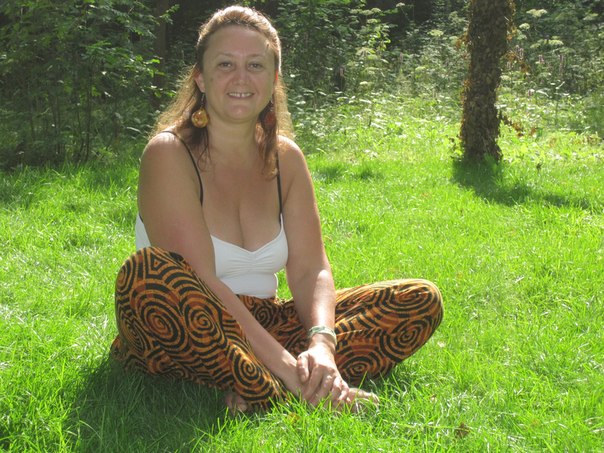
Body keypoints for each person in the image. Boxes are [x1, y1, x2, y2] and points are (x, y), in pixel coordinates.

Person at [111, 5, 443, 413]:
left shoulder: (286, 158)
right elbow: (204, 282)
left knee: (418, 299)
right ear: (200, 77)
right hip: (188, 318)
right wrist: (287, 365)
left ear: (274, 79)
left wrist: (321, 343)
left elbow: (311, 269)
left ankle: (262, 385)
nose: (241, 78)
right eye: (225, 64)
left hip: (267, 322)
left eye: (255, 65)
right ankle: (292, 385)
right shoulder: (169, 153)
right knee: (146, 273)